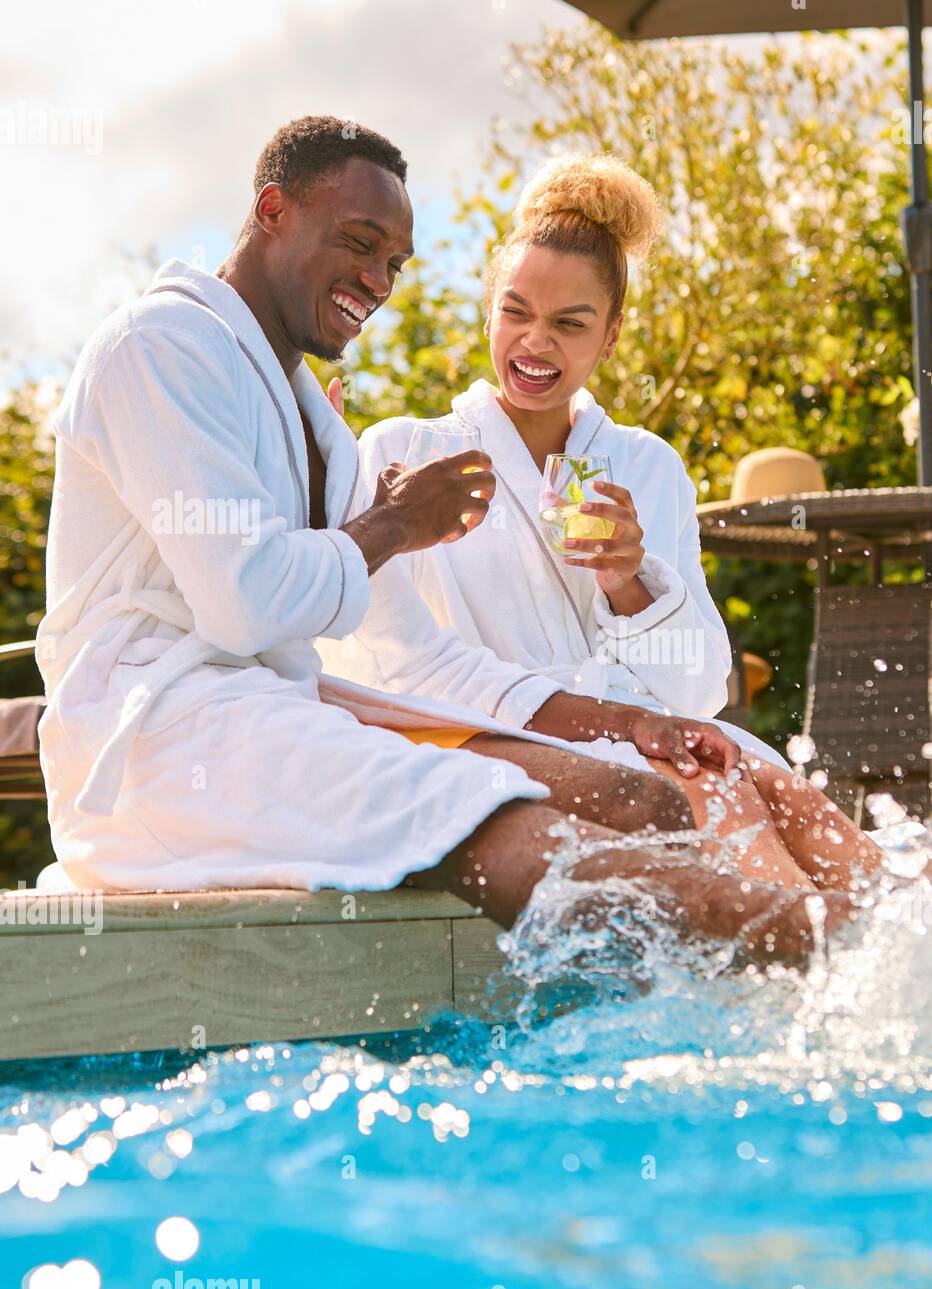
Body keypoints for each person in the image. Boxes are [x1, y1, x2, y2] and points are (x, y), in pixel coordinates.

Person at [33, 115, 859, 961]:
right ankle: (829, 962)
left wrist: (627, 709)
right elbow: (246, 604)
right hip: (161, 749)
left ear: (609, 338)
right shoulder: (162, 344)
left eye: (394, 261)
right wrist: (394, 523)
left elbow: (419, 654)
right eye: (360, 242)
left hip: (283, 715)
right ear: (272, 209)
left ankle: (846, 949)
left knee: (647, 796)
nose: (377, 278)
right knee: (509, 828)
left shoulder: (310, 414)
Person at [321, 153, 893, 890]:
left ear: (612, 335)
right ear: (489, 309)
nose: (535, 343)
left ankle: (901, 934)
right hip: (506, 739)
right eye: (517, 313)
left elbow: (699, 688)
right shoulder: (407, 450)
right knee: (727, 793)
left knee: (791, 803)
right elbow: (379, 653)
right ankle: (813, 957)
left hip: (653, 732)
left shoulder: (646, 465)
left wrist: (631, 583)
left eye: (569, 323)